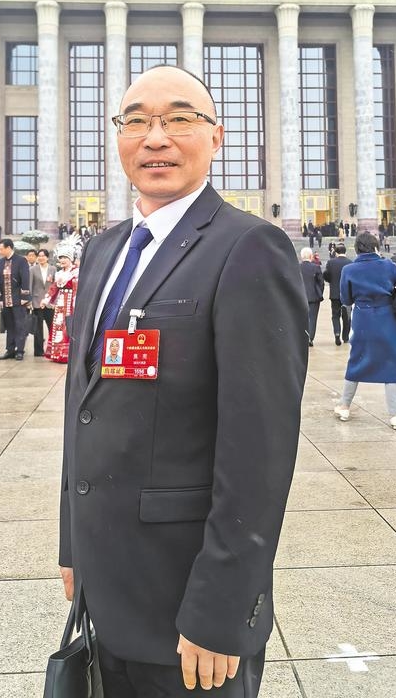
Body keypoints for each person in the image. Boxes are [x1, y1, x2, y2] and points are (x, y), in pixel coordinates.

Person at [58, 64, 307, 697]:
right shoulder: (105, 250)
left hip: (189, 608)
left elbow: (260, 451)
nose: (156, 138)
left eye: (179, 119)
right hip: (106, 590)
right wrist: (73, 545)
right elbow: (82, 406)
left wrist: (222, 608)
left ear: (216, 136)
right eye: (136, 121)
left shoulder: (249, 247)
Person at [334, 231, 396, 431]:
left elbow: (346, 299)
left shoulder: (349, 269)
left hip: (363, 319)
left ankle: (344, 407)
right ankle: (395, 416)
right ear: (376, 247)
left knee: (357, 361)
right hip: (387, 319)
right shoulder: (388, 265)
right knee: (392, 364)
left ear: (357, 249)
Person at [0, 238, 30, 360]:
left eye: (1, 249)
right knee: (9, 326)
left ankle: (20, 350)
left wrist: (25, 296)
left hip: (18, 299)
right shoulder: (0, 262)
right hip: (6, 299)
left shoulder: (21, 261)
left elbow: (25, 278)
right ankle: (10, 350)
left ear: (9, 248)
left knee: (20, 325)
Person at [43, 247, 79, 363]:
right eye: (61, 258)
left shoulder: (75, 272)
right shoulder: (59, 273)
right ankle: (57, 353)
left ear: (70, 259)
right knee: (58, 326)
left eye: (65, 258)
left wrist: (76, 303)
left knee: (68, 327)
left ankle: (67, 354)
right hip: (60, 304)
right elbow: (54, 288)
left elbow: (77, 289)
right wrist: (46, 300)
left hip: (71, 303)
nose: (62, 260)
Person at [30, 248, 57, 357]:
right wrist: (30, 301)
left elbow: (55, 286)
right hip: (37, 302)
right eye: (39, 256)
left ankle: (53, 349)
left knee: (52, 327)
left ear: (47, 257)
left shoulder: (53, 269)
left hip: (49, 303)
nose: (41, 258)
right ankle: (38, 351)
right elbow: (30, 286)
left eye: (43, 256)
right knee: (38, 328)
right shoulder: (33, 269)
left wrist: (55, 301)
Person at [323, 242, 351, 345]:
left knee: (335, 315)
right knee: (347, 316)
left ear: (336, 252)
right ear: (345, 252)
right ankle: (346, 337)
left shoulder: (331, 263)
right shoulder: (350, 262)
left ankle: (337, 334)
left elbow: (326, 275)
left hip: (334, 293)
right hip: (347, 294)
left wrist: (331, 281)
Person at [299, 247, 324, 347]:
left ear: (301, 257)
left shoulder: (297, 267)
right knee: (312, 318)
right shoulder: (316, 267)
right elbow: (321, 282)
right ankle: (310, 338)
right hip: (314, 296)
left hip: (300, 296)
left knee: (301, 318)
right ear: (311, 256)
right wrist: (319, 293)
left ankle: (302, 337)